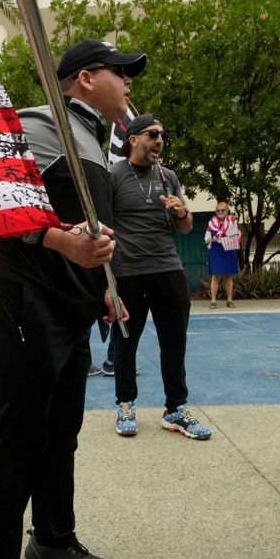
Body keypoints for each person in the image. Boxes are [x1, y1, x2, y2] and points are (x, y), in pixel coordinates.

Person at [0, 38, 142, 559]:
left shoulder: (97, 141)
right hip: (22, 297)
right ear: (85, 79)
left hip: (69, 305)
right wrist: (64, 245)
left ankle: (52, 538)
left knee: (61, 430)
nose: (131, 83)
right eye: (123, 73)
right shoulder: (42, 123)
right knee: (19, 439)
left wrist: (104, 285)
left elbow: (93, 234)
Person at [108, 114, 210, 440]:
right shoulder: (114, 176)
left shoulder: (168, 176)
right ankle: (125, 404)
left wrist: (180, 211)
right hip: (128, 273)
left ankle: (175, 410)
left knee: (174, 343)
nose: (160, 141)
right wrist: (105, 281)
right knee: (126, 344)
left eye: (163, 136)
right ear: (134, 138)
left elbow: (186, 225)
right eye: (153, 134)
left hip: (168, 269)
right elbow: (103, 228)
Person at [204, 201, 241, 309]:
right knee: (215, 276)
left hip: (229, 249)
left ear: (227, 211)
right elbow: (206, 237)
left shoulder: (232, 221)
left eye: (223, 210)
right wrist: (209, 239)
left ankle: (229, 301)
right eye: (218, 210)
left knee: (228, 276)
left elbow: (236, 236)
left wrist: (225, 238)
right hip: (216, 250)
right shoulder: (212, 222)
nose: (220, 212)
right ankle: (213, 301)